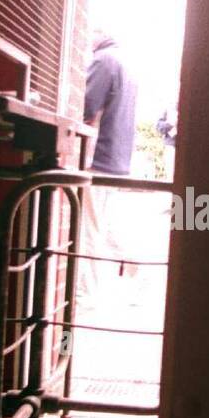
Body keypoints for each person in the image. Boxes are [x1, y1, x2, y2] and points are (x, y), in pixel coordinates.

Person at [77, 31, 138, 306]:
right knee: (105, 223)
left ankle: (85, 293)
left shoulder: (103, 60)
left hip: (98, 158)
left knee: (88, 226)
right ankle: (137, 268)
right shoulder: (126, 62)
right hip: (117, 159)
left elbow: (86, 105)